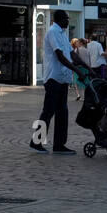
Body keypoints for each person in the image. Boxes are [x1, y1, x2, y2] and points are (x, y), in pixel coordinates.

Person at [31, 9, 87, 154]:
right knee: (48, 111)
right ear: (60, 19)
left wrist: (87, 68)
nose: (68, 21)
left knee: (63, 112)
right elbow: (60, 56)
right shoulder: (53, 32)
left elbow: (71, 55)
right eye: (67, 18)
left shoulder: (63, 33)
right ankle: (36, 142)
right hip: (53, 78)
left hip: (63, 79)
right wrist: (78, 71)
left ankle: (59, 145)